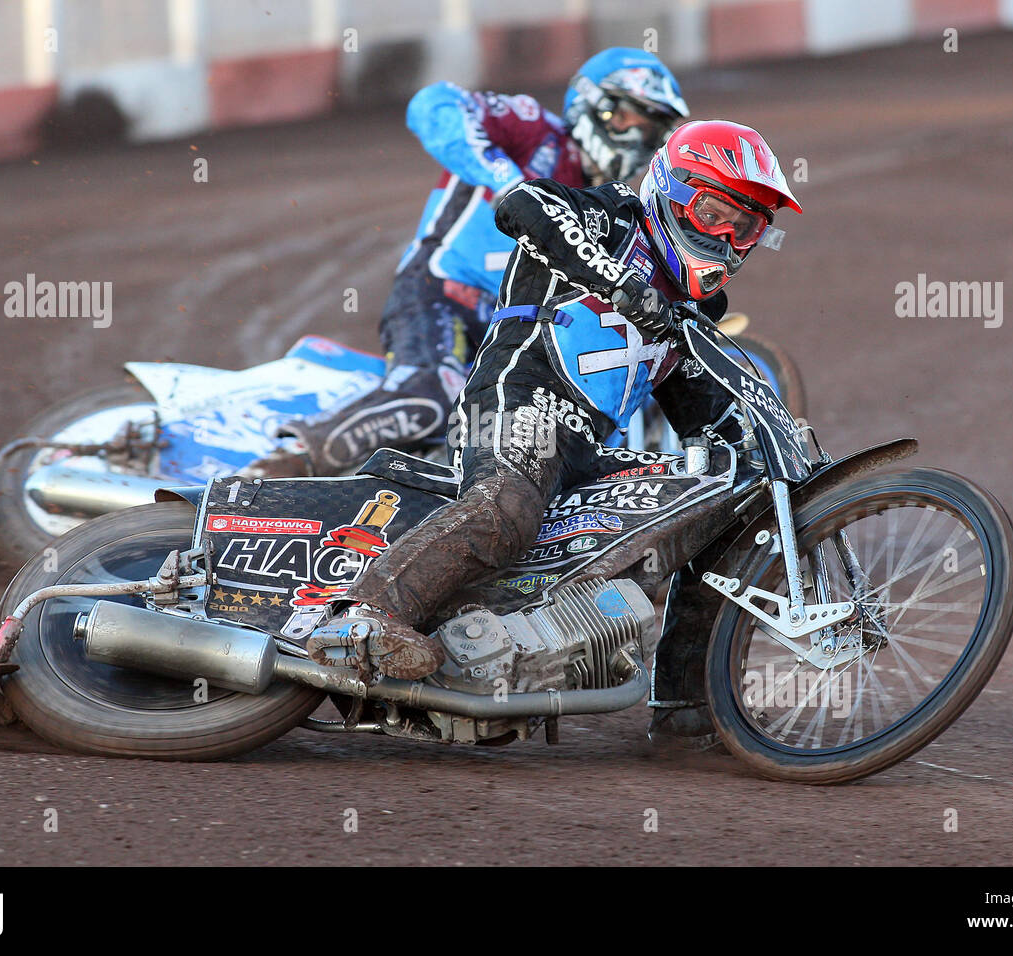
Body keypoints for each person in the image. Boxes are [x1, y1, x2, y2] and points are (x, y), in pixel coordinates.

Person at [305, 120, 803, 681]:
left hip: (585, 450)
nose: (726, 241)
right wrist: (616, 281)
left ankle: (687, 705)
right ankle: (363, 616)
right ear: (672, 190)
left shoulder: (693, 310)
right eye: (713, 216)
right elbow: (520, 203)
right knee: (506, 511)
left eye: (747, 229)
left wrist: (754, 451)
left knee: (712, 505)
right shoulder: (610, 217)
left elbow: (699, 413)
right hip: (514, 403)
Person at [253, 48, 689, 477]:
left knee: (557, 422)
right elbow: (431, 104)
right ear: (596, 104)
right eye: (636, 119)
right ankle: (286, 462)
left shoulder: (605, 206)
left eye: (655, 132)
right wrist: (508, 182)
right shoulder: (535, 131)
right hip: (441, 295)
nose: (642, 140)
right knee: (429, 396)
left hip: (513, 327)